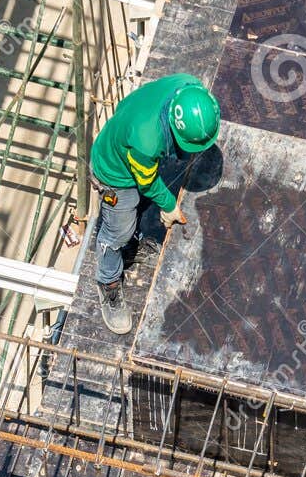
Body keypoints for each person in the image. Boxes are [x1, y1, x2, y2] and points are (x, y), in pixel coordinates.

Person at [88, 74, 220, 333]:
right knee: (119, 229)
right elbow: (147, 182)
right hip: (114, 171)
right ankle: (108, 282)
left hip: (133, 131)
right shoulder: (146, 141)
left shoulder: (190, 90)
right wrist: (169, 206)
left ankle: (132, 248)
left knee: (145, 200)